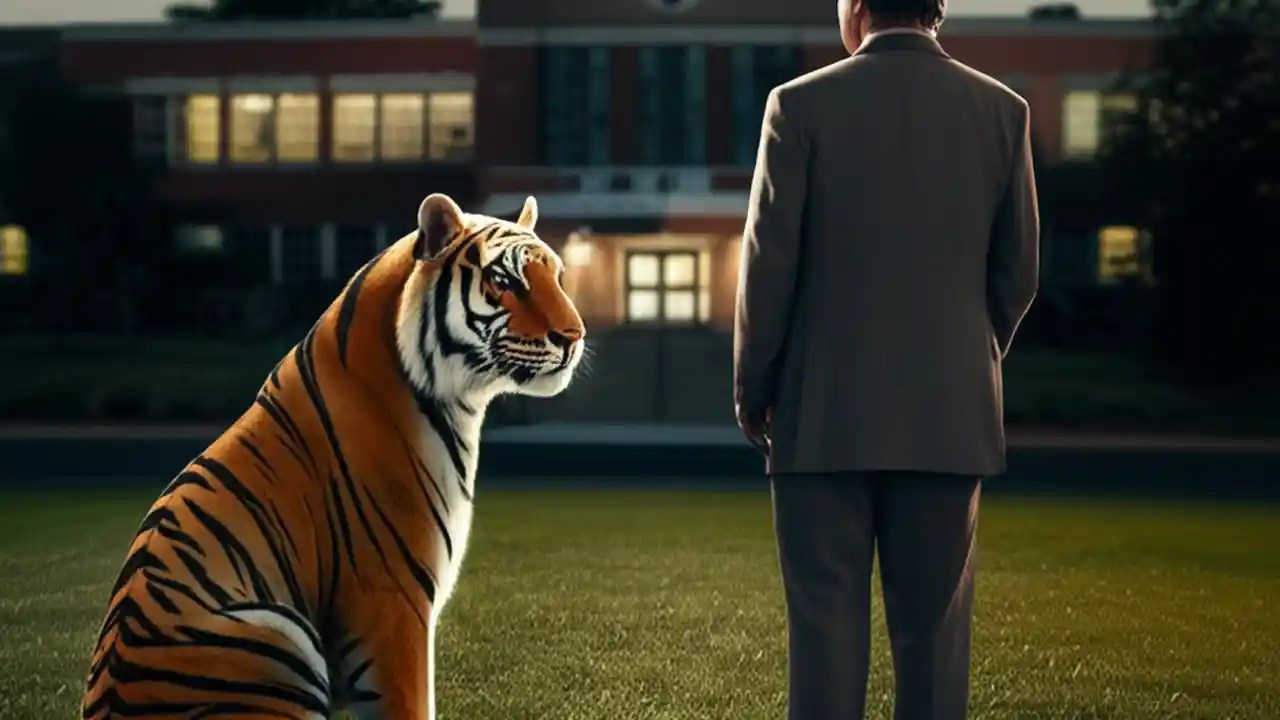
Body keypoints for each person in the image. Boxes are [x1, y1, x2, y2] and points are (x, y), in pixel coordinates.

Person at [732, 0, 1040, 718]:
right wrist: (964, 357)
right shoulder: (1003, 110)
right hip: (949, 416)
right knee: (934, 640)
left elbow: (768, 267)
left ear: (858, 7)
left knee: (824, 628)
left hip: (820, 413)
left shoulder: (797, 105)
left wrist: (755, 385)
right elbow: (1018, 274)